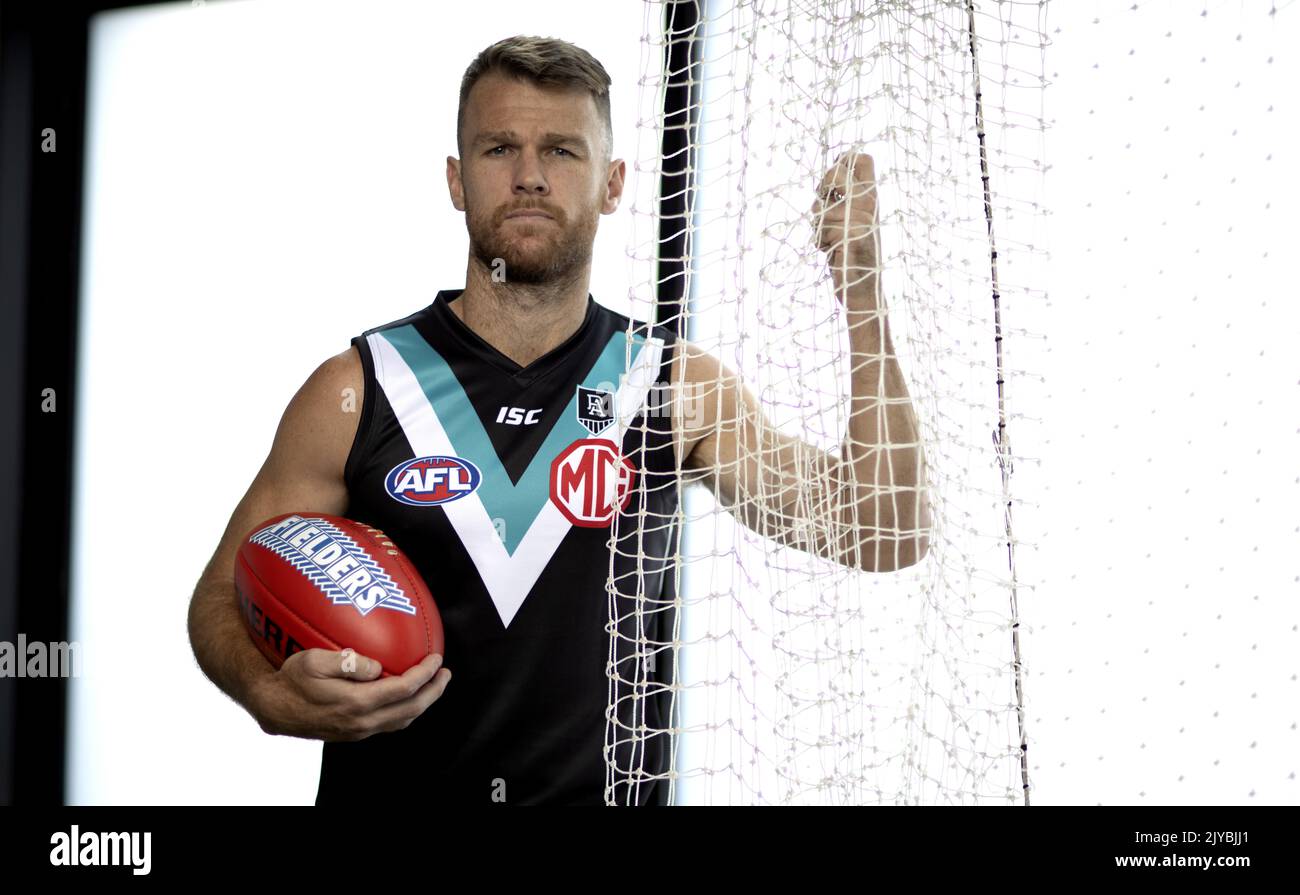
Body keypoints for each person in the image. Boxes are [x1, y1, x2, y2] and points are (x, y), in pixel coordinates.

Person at [187, 35, 930, 806]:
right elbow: (216, 599)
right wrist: (270, 698)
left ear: (613, 184)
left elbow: (882, 527)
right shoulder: (357, 388)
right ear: (456, 179)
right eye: (499, 147)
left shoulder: (670, 384)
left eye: (563, 151)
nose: (531, 176)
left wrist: (862, 289)